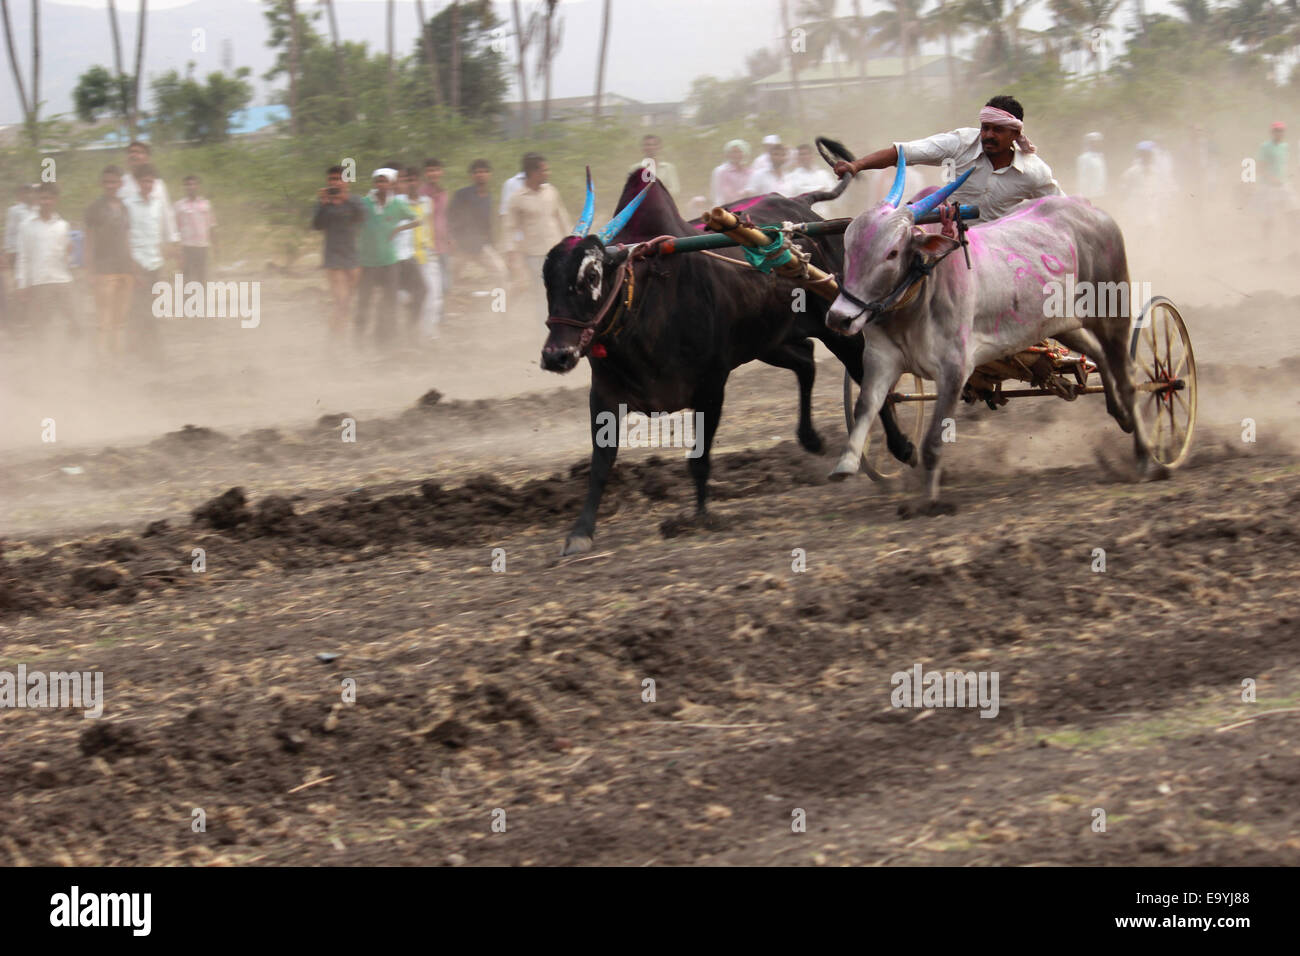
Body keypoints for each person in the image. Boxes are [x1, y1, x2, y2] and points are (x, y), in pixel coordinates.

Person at [832, 94, 1062, 224]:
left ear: (1015, 134)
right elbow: (902, 153)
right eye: (985, 128)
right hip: (948, 237)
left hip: (998, 250)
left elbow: (1060, 210)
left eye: (998, 130)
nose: (989, 135)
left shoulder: (1035, 171)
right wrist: (856, 165)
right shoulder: (960, 143)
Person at [355, 168, 417, 347]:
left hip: (389, 261)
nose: (380, 185)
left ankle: (387, 342)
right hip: (367, 261)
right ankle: (358, 341)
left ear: (391, 184)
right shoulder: (365, 202)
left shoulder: (397, 204)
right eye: (377, 181)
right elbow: (354, 221)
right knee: (363, 302)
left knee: (390, 303)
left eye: (384, 181)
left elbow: (417, 219)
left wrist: (397, 229)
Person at [13, 182, 74, 354]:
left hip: (62, 280)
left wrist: (70, 253)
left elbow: (66, 258)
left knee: (74, 323)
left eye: (49, 198)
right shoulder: (27, 226)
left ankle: (68, 358)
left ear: (55, 200)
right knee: (40, 327)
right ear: (37, 200)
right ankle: (41, 364)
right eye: (42, 198)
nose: (46, 201)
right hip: (39, 282)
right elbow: (23, 257)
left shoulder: (62, 225)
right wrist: (22, 284)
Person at [504, 153, 570, 310]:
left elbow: (562, 218)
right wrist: (512, 254)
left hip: (558, 251)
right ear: (533, 172)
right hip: (535, 255)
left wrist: (571, 241)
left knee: (563, 290)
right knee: (542, 294)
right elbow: (509, 228)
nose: (548, 173)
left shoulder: (551, 191)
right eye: (544, 170)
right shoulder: (517, 198)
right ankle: (543, 329)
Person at [83, 165, 136, 357]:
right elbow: (88, 241)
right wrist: (89, 271)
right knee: (104, 319)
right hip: (104, 270)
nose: (110, 186)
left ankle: (118, 358)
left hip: (124, 269)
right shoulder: (94, 209)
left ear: (120, 183)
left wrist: (132, 267)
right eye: (106, 182)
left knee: (120, 319)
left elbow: (127, 239)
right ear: (101, 183)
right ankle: (102, 359)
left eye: (113, 182)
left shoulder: (125, 208)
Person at [124, 163, 174, 357]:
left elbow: (161, 232)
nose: (148, 185)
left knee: (153, 309)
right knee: (138, 310)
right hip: (137, 264)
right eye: (144, 181)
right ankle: (143, 351)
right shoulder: (128, 205)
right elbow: (125, 237)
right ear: (138, 182)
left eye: (151, 181)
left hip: (155, 263)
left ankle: (153, 350)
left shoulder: (157, 204)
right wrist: (132, 266)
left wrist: (168, 250)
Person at [312, 164, 366, 340]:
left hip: (352, 256)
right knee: (341, 302)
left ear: (346, 181)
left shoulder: (355, 200)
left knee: (346, 303)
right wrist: (323, 204)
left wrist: (345, 199)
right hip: (333, 258)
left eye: (338, 179)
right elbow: (316, 225)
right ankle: (335, 341)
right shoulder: (324, 203)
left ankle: (335, 336)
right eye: (331, 179)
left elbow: (362, 218)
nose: (334, 182)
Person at [448, 158, 507, 290]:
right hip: (461, 246)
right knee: (449, 279)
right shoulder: (461, 195)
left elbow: (487, 224)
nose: (480, 174)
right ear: (472, 175)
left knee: (500, 272)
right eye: (477, 172)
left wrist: (492, 243)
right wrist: (451, 239)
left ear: (489, 174)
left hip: (481, 246)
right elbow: (450, 217)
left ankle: (499, 306)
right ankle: (447, 309)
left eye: (484, 172)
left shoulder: (488, 197)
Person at [118, 141, 180, 247]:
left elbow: (166, 214)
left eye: (139, 152)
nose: (134, 155)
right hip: (129, 246)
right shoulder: (120, 184)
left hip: (154, 244)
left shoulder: (158, 185)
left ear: (147, 158)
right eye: (131, 152)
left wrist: (172, 240)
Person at [395, 166, 431, 343]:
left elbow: (421, 225)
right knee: (399, 295)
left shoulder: (422, 202)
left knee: (422, 291)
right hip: (393, 257)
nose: (410, 184)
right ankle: (394, 336)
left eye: (413, 180)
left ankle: (411, 331)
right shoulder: (395, 201)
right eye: (406, 180)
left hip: (410, 255)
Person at [174, 174, 216, 286]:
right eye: (187, 184)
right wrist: (177, 250)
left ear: (198, 186)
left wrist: (215, 245)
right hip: (186, 246)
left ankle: (201, 302)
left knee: (202, 276)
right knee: (186, 277)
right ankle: (186, 302)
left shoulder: (206, 204)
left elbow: (211, 225)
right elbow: (176, 229)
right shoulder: (179, 206)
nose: (190, 187)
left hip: (202, 246)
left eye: (193, 184)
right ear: (184, 187)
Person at [419, 158, 450, 297]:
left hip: (443, 244)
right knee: (432, 284)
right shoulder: (421, 193)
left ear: (441, 172)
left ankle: (441, 315)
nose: (434, 173)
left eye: (436, 170)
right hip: (427, 245)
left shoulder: (443, 192)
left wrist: (450, 238)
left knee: (445, 284)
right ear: (425, 173)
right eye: (430, 170)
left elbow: (444, 217)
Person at [710, 140, 752, 207]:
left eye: (739, 152)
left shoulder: (749, 171)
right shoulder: (721, 171)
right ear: (727, 154)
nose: (736, 155)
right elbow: (726, 194)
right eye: (733, 152)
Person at [1075, 131, 1107, 203]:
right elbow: (1083, 177)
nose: (1099, 144)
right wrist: (1083, 195)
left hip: (1100, 194)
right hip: (1090, 195)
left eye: (1099, 142)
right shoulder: (1084, 158)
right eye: (1096, 142)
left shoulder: (1100, 157)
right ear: (1090, 143)